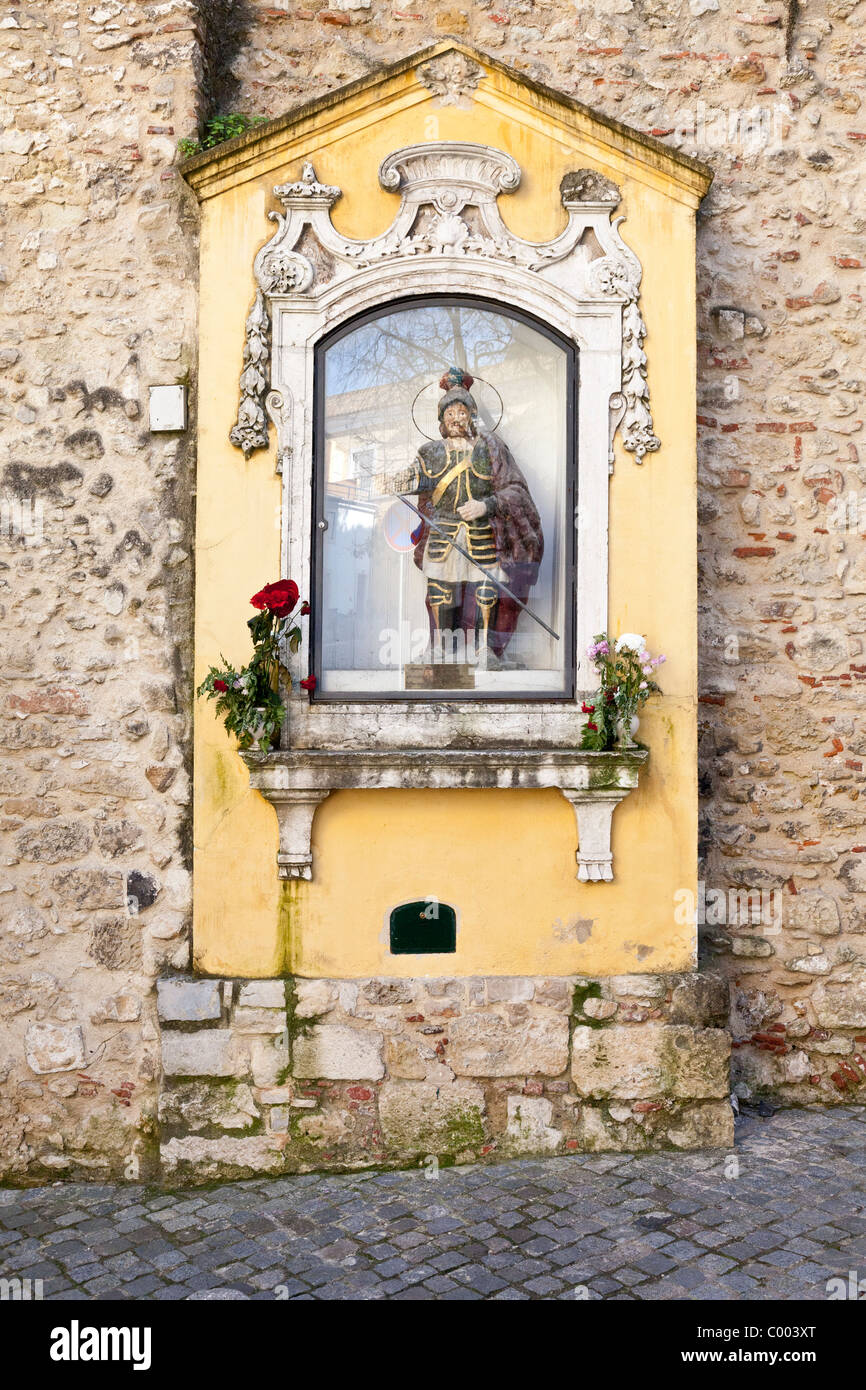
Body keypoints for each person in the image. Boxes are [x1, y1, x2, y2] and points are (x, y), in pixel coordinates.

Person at [389, 366, 544, 660]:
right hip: (444, 531)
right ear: (441, 420)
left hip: (481, 531)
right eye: (450, 413)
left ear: (471, 415)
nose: (456, 418)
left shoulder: (491, 448)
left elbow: (515, 489)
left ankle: (486, 649)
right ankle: (440, 650)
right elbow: (413, 479)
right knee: (439, 588)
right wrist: (393, 481)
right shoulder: (429, 452)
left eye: (461, 412)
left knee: (486, 587)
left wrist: (487, 505)